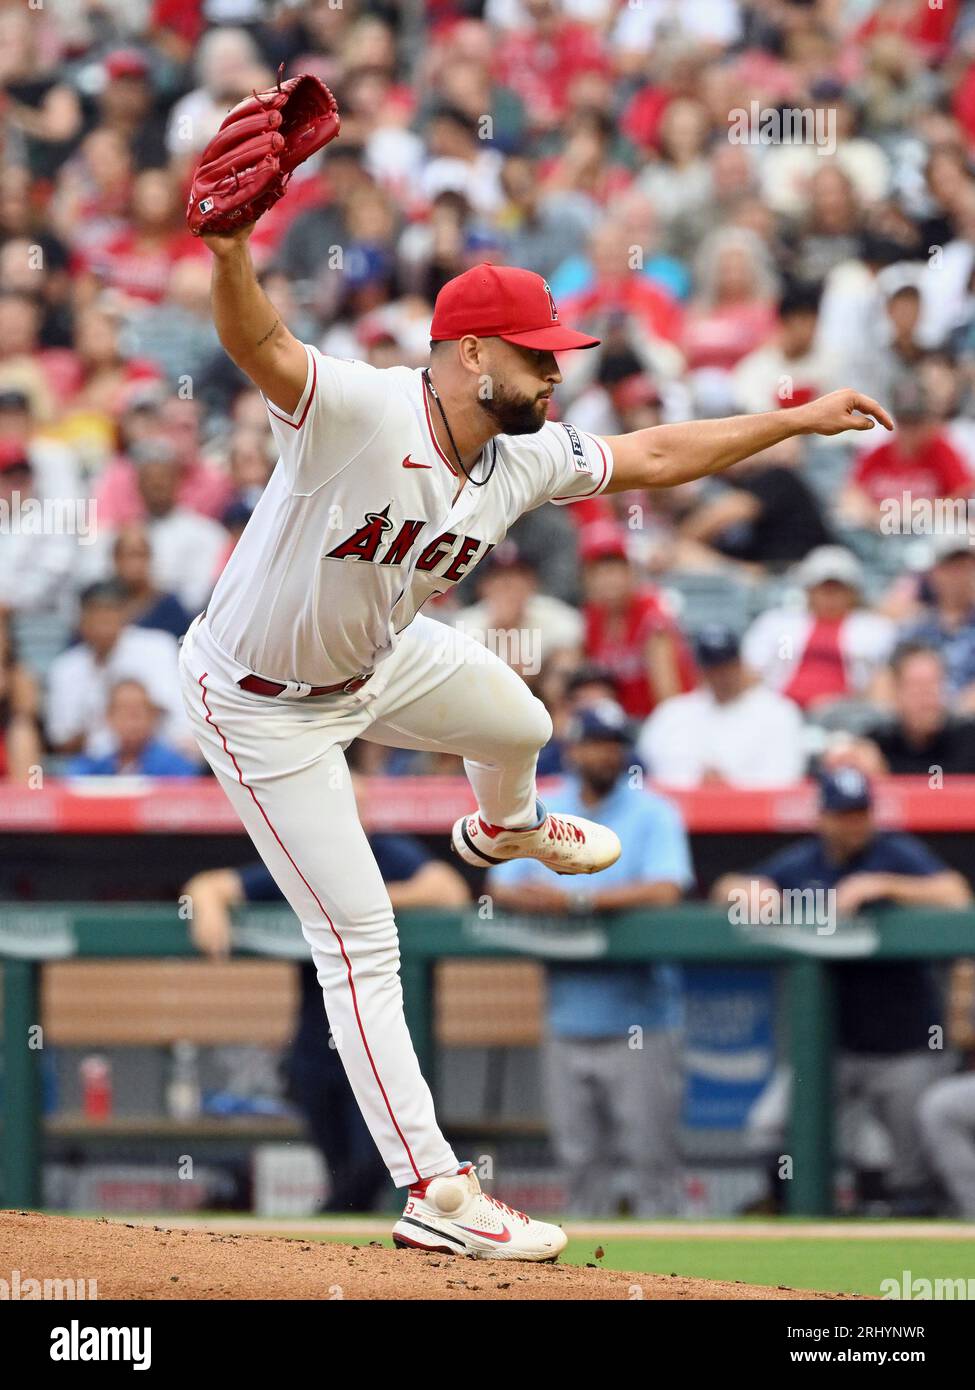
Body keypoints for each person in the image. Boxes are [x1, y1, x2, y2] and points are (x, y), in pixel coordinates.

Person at [180, 215, 892, 1260]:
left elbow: (654, 452)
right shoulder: (370, 409)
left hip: (375, 657)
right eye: (538, 355)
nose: (556, 375)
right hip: (258, 700)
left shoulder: (520, 457)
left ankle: (506, 827)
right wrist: (232, 253)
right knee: (362, 942)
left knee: (524, 718)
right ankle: (437, 1191)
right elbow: (261, 347)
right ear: (472, 353)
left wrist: (793, 420)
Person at [184, 769, 470, 1212]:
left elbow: (450, 891)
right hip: (317, 1041)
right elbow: (209, 884)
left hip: (377, 1036)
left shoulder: (386, 852)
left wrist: (361, 904)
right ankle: (341, 1241)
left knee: (369, 1164)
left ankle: (347, 1222)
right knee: (337, 1160)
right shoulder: (304, 855)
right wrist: (206, 906)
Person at [712, 769, 971, 1212]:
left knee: (911, 1165)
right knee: (771, 1127)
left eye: (861, 813)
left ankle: (904, 1240)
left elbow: (956, 894)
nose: (854, 824)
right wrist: (752, 890)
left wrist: (884, 884)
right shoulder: (806, 861)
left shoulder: (895, 853)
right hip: (828, 1048)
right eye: (843, 815)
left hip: (905, 1045)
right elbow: (725, 888)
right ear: (823, 817)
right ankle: (791, 1211)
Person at [487, 701, 694, 1216]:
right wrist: (546, 900)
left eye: (613, 743)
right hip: (567, 1015)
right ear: (573, 749)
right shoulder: (545, 806)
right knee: (579, 1168)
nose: (604, 753)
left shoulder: (653, 812)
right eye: (594, 743)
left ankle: (679, 1287)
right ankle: (587, 1285)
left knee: (653, 1163)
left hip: (642, 1019)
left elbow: (667, 890)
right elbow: (501, 883)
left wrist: (578, 900)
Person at [638, 625, 806, 787]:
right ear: (700, 670)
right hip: (679, 813)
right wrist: (696, 781)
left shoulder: (779, 712)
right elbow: (644, 772)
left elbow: (785, 779)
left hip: (753, 813)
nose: (720, 676)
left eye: (727, 667)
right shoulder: (672, 713)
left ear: (740, 664)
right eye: (712, 668)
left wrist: (727, 785)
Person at [742, 546, 895, 711]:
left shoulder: (876, 629)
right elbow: (752, 670)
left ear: (853, 592)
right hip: (781, 709)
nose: (831, 595)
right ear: (809, 590)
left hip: (847, 712)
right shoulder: (776, 623)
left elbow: (881, 682)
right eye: (824, 588)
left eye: (838, 588)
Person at [46, 580, 188, 757]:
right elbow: (61, 740)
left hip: (158, 759)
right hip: (95, 767)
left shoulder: (158, 646)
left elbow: (173, 715)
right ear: (82, 621)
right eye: (96, 615)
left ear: (124, 615)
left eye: (109, 613)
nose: (103, 624)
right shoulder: (65, 668)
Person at [66, 678, 200, 777]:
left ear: (153, 717)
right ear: (109, 717)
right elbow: (72, 780)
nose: (131, 722)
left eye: (137, 713)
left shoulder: (176, 767)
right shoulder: (97, 766)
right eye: (123, 712)